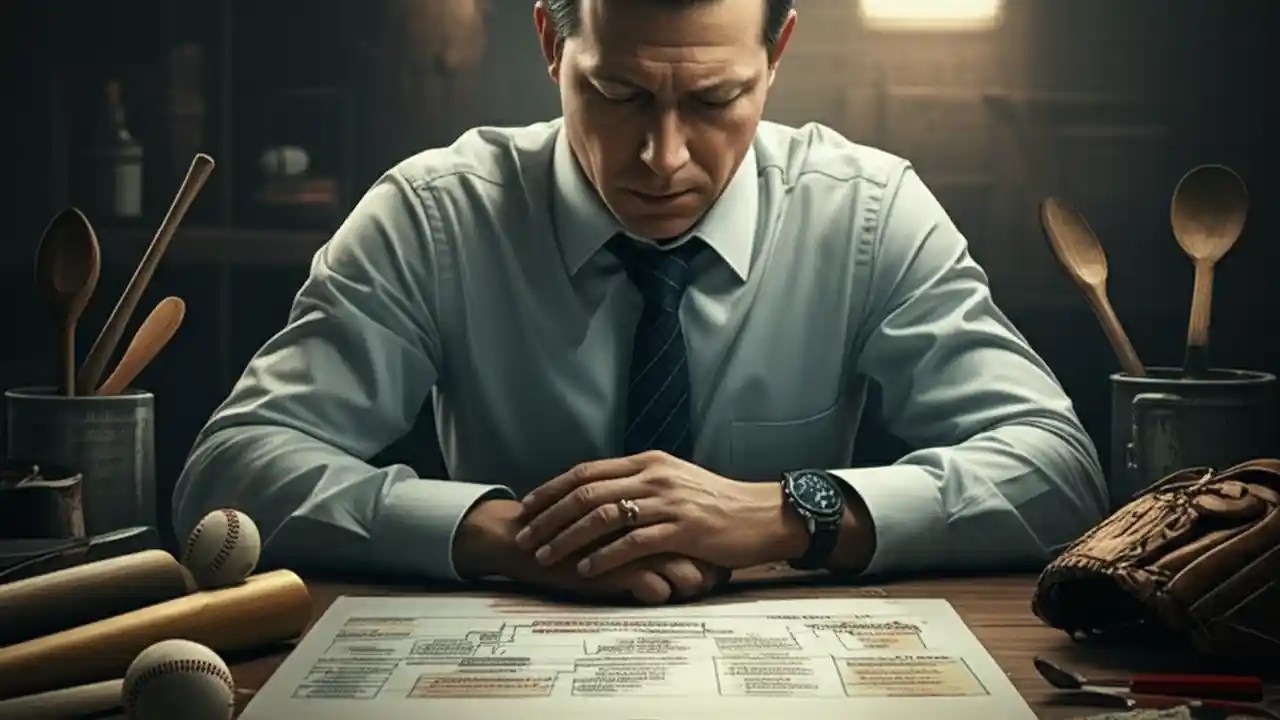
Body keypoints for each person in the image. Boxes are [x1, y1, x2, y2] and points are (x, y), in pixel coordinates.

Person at [173, 0, 1108, 605]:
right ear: (552, 44)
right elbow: (229, 476)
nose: (664, 158)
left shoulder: (868, 213)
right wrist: (509, 538)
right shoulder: (435, 215)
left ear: (777, 52)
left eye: (714, 99)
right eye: (618, 95)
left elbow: (1058, 472)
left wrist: (785, 514)